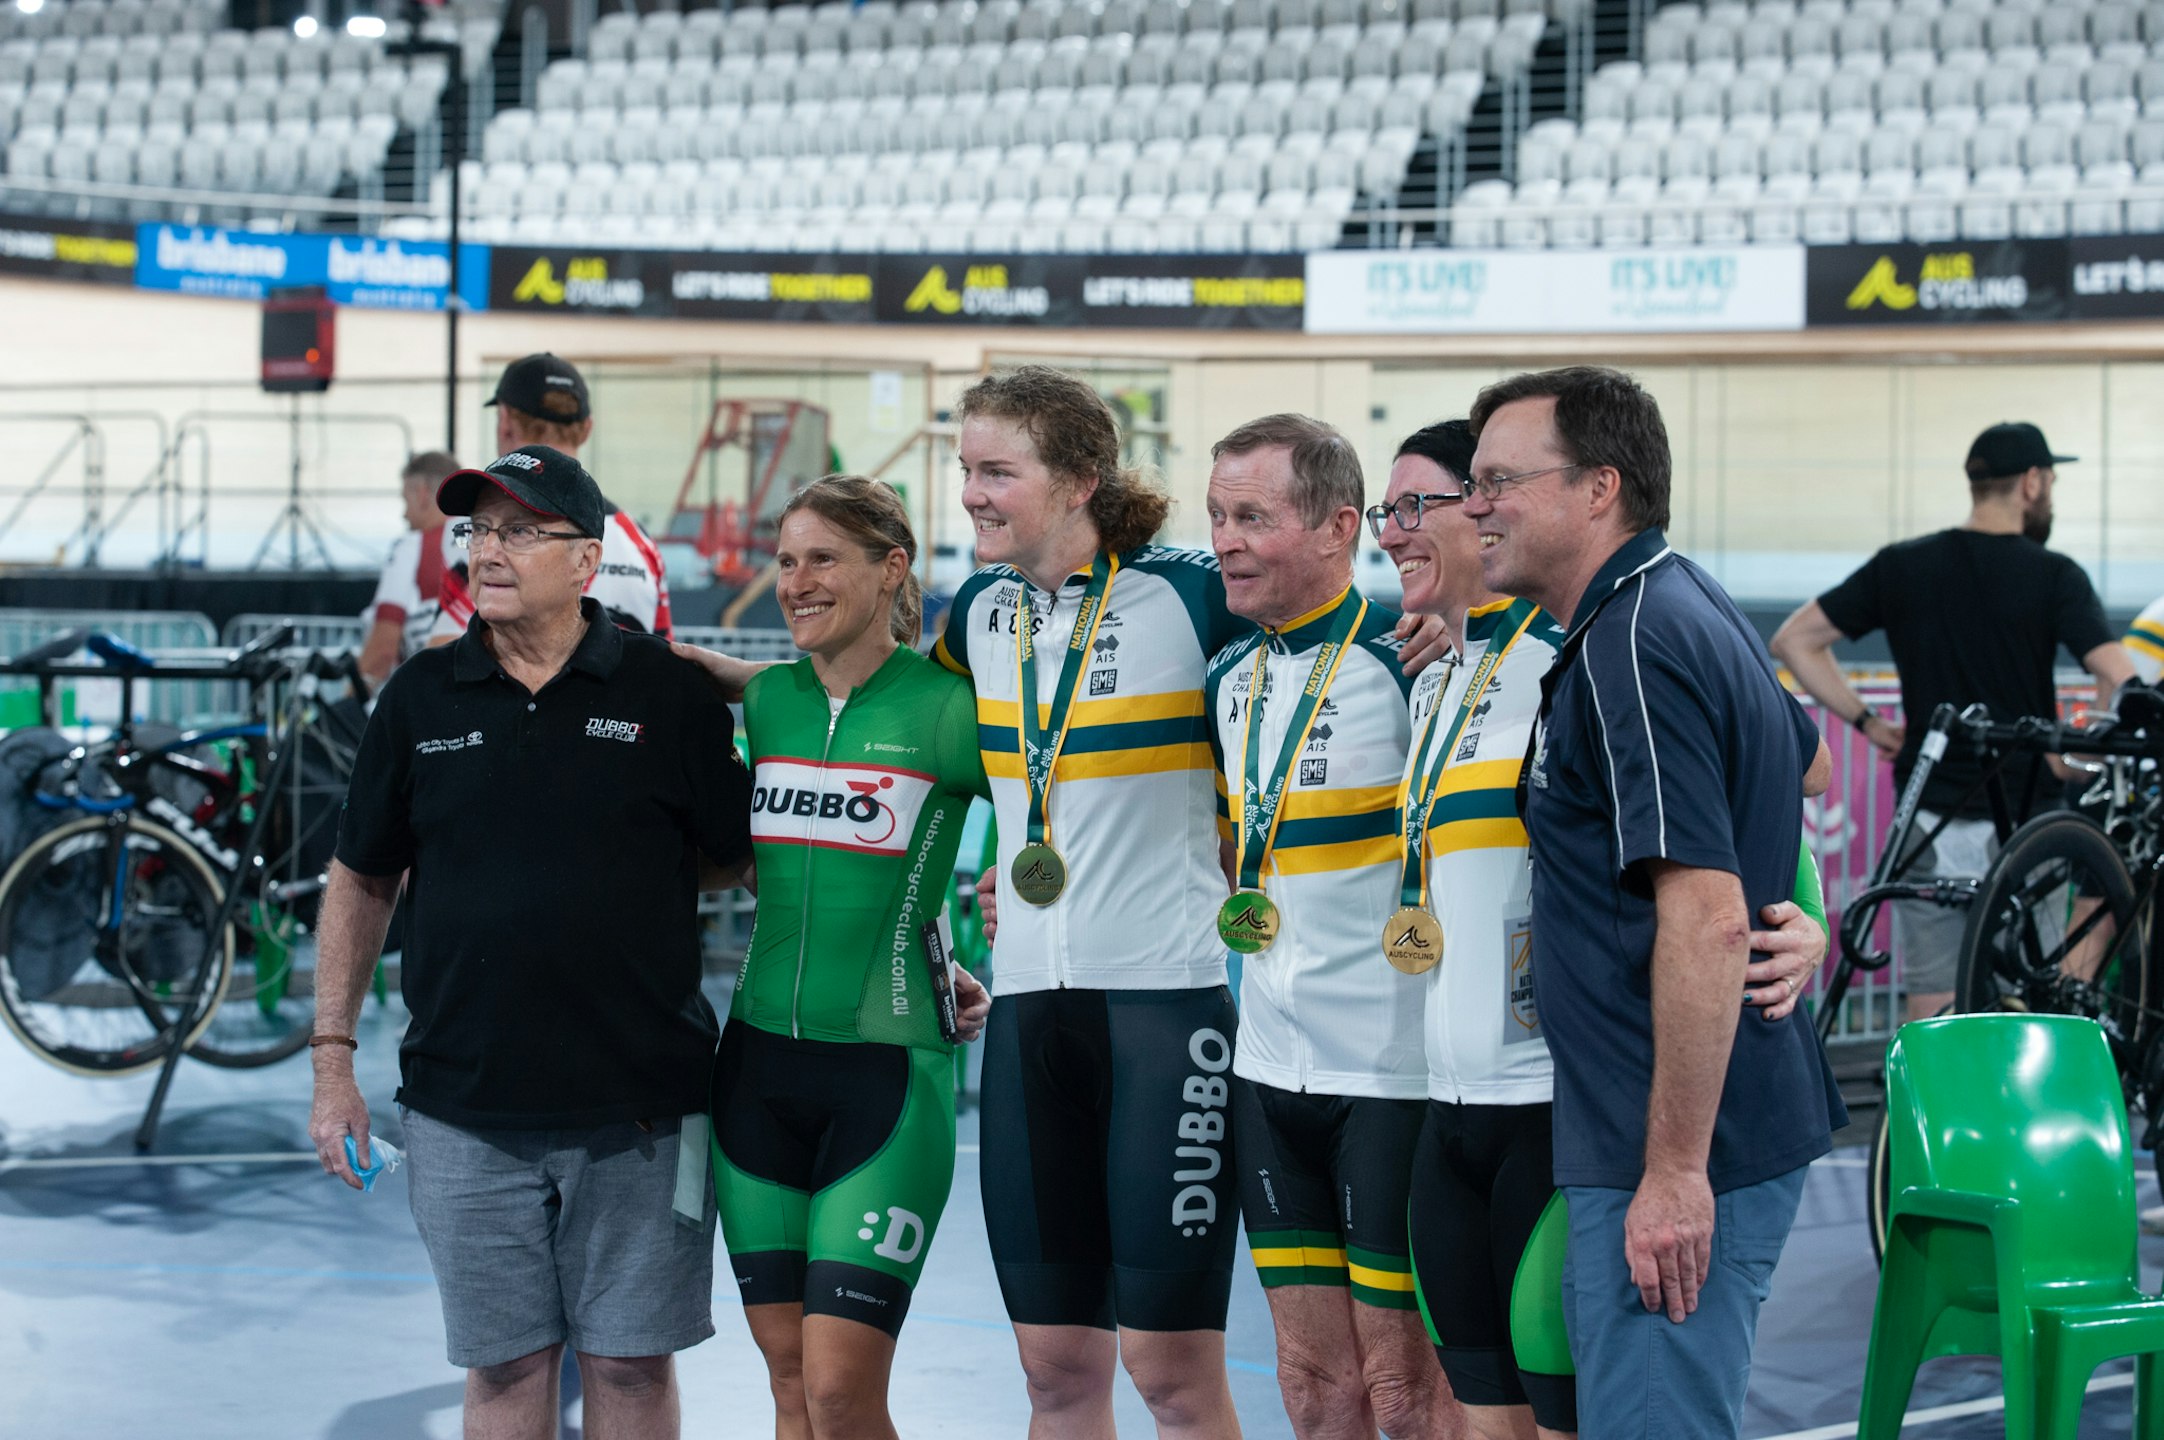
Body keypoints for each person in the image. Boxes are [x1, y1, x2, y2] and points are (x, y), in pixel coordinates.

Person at [1378, 420, 1830, 1440]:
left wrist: (1799, 918)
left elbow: (1786, 772)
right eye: (1385, 511)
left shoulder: (1597, 641)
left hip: (1566, 1106)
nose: (1394, 532)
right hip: (1448, 1102)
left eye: (1422, 505)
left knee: (1605, 1411)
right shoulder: (1426, 674)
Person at [308, 444, 752, 1439]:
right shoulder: (419, 699)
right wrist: (331, 1058)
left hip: (646, 1110)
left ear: (586, 562)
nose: (486, 552)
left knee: (632, 1373)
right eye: (476, 530)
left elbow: (735, 853)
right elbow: (360, 877)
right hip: (464, 1109)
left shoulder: (664, 692)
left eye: (518, 530)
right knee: (504, 1372)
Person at [933, 365, 1250, 1437]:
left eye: (996, 471)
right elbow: (876, 717)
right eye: (964, 468)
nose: (971, 492)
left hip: (1164, 1015)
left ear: (1077, 481)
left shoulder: (1193, 590)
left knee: (1173, 1378)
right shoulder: (977, 611)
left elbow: (1348, 655)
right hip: (1028, 1019)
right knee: (1055, 1374)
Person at [710, 475, 994, 1440]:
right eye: (786, 561)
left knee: (839, 1388)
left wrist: (1006, 927)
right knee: (788, 1382)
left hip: (889, 1072)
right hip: (753, 1070)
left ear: (891, 568)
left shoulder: (950, 710)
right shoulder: (772, 704)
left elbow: (1075, 810)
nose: (796, 582)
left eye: (823, 559)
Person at [1199, 415, 1450, 1439]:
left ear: (1338, 525)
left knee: (1402, 1392)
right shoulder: (1226, 681)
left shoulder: (1414, 662)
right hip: (1267, 1077)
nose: (1222, 540)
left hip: (1390, 1082)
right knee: (1309, 1386)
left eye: (1250, 516)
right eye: (1215, 516)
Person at [1769, 421, 2133, 1021]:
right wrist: (2074, 754)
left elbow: (1794, 639)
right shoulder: (2055, 576)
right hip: (2026, 821)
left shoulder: (1904, 565)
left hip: (1929, 814)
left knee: (1935, 997)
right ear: (2034, 483)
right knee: (2032, 991)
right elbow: (2118, 674)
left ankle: (1931, 1113)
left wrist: (1868, 723)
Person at [430, 352, 675, 642]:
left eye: (519, 531)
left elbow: (445, 661)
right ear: (586, 430)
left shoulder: (478, 533)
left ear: (504, 421)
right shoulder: (638, 542)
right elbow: (666, 658)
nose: (489, 549)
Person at [357, 449, 459, 690]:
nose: (404, 515)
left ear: (422, 495)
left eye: (405, 500)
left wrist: (346, 706)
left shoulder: (412, 547)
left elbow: (382, 651)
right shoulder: (486, 539)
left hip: (431, 697)